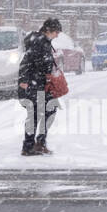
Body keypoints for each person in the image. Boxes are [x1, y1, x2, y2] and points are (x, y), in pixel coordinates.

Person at [18, 17, 61, 156]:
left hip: (42, 83)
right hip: (35, 83)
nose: (57, 35)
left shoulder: (44, 42)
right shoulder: (39, 41)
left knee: (49, 110)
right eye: (56, 31)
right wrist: (24, 80)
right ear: (48, 30)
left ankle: (39, 143)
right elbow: (26, 61)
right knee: (36, 114)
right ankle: (29, 146)